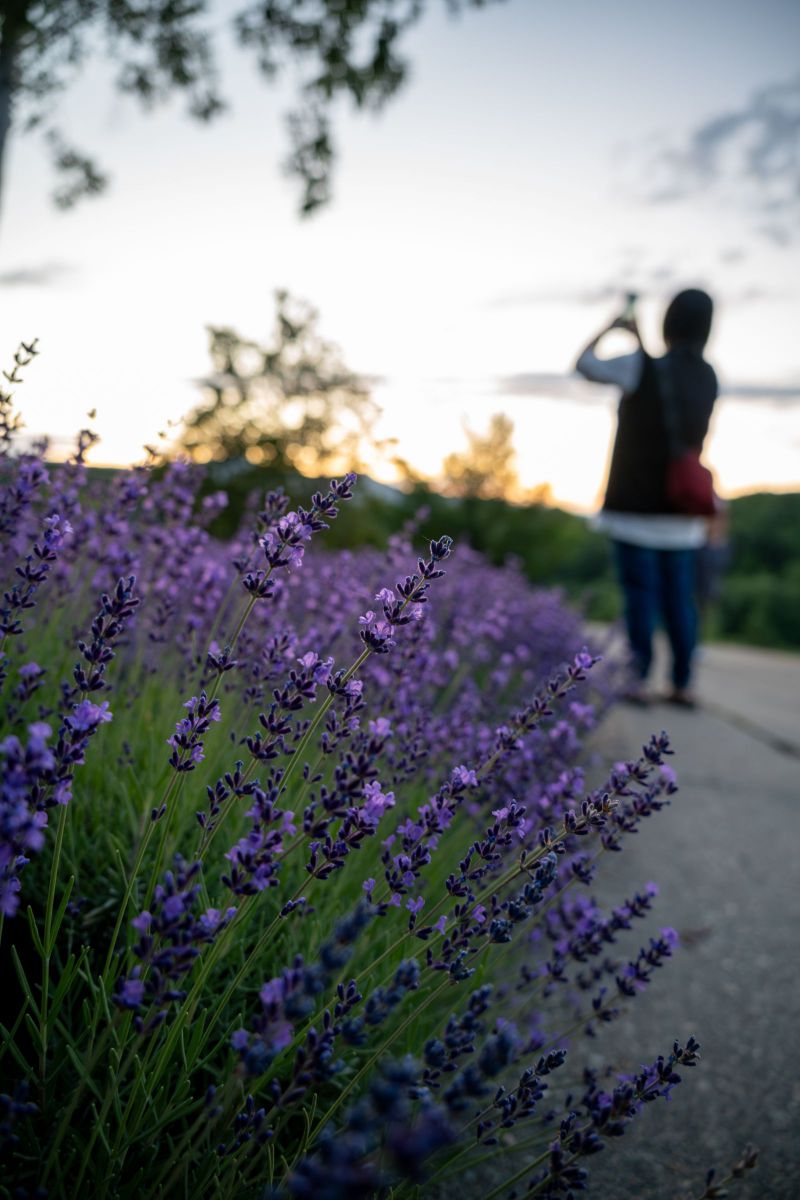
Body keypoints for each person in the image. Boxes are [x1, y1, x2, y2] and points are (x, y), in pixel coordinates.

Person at [575, 288, 718, 707]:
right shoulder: (709, 375)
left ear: (668, 321)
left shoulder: (640, 365)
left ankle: (636, 678)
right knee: (680, 602)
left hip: (635, 509)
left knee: (641, 596)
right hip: (683, 510)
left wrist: (612, 328)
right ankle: (682, 683)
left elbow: (584, 365)